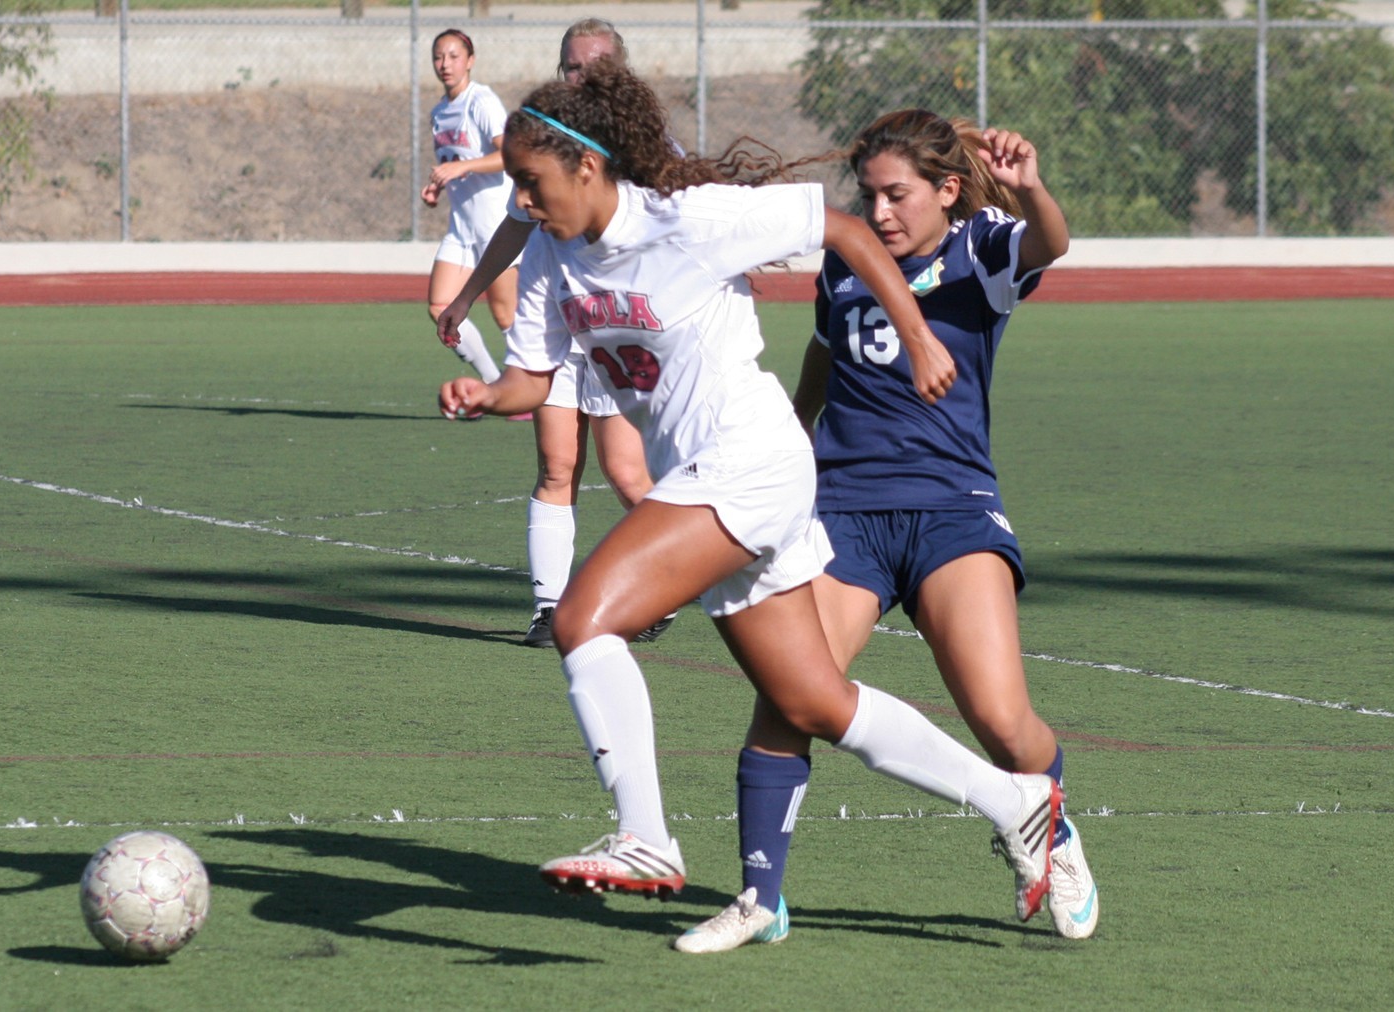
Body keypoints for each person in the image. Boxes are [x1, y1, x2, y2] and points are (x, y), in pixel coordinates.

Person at [437, 60, 1065, 943]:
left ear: (587, 167)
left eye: (532, 184)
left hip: (754, 463)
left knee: (584, 618)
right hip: (705, 481)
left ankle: (646, 837)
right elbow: (530, 378)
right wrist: (484, 397)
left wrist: (919, 336)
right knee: (813, 701)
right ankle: (1013, 803)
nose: (522, 204)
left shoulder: (688, 219)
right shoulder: (547, 255)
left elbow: (842, 229)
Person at [673, 109, 1098, 955]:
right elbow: (825, 353)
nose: (881, 214)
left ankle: (1053, 837)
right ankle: (761, 898)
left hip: (951, 510)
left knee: (1004, 722)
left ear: (946, 191)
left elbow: (1049, 243)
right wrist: (793, 430)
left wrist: (1033, 191)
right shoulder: (846, 257)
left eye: (898, 195)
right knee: (793, 695)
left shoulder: (980, 249)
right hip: (841, 515)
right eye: (868, 196)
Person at [436, 19, 676, 647]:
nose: (580, 76)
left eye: (594, 66)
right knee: (556, 463)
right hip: (558, 325)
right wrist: (464, 297)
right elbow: (515, 227)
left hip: (619, 327)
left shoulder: (646, 147)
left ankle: (666, 586)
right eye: (571, 66)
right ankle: (548, 608)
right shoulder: (544, 141)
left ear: (619, 71)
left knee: (626, 474)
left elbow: (684, 222)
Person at [422, 28, 517, 392]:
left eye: (453, 56)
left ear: (470, 61)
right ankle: (495, 384)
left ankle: (534, 389)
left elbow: (509, 154)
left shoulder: (482, 100)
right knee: (440, 306)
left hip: (495, 224)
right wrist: (438, 184)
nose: (444, 64)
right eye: (438, 57)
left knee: (505, 314)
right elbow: (454, 161)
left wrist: (460, 168)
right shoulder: (439, 112)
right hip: (461, 227)